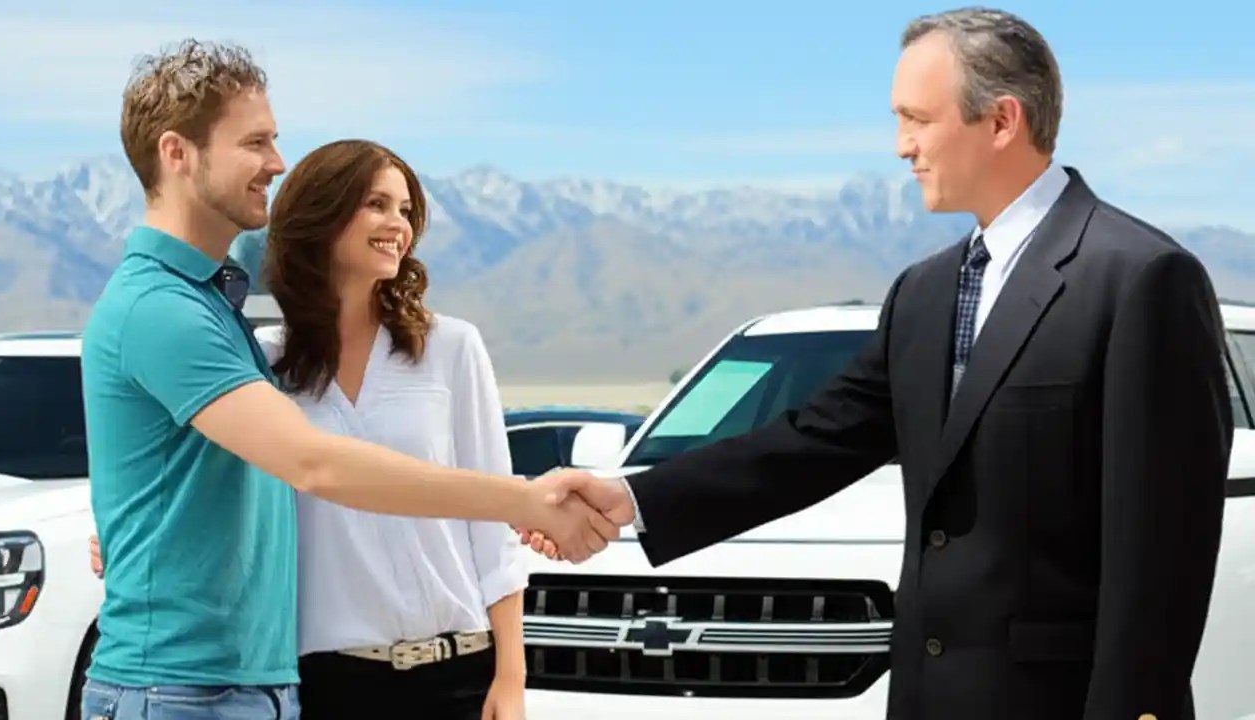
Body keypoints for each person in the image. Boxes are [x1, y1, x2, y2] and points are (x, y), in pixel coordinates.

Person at [524, 7, 1233, 720]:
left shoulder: (1142, 280)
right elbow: (811, 440)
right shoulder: (924, 294)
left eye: (917, 119)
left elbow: (1162, 557)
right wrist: (634, 499)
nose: (901, 147)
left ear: (1001, 121)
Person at [80, 39, 610, 720]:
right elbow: (314, 463)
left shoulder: (217, 303)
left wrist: (127, 525)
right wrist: (526, 501)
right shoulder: (169, 312)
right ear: (176, 153)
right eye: (257, 143)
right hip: (188, 690)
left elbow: (182, 472)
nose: (275, 162)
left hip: (254, 687)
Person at [261, 139, 530, 719]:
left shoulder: (451, 348)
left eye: (406, 211)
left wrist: (510, 677)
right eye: (377, 205)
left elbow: (495, 527)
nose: (397, 226)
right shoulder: (267, 364)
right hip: (327, 685)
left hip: (460, 674)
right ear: (321, 214)